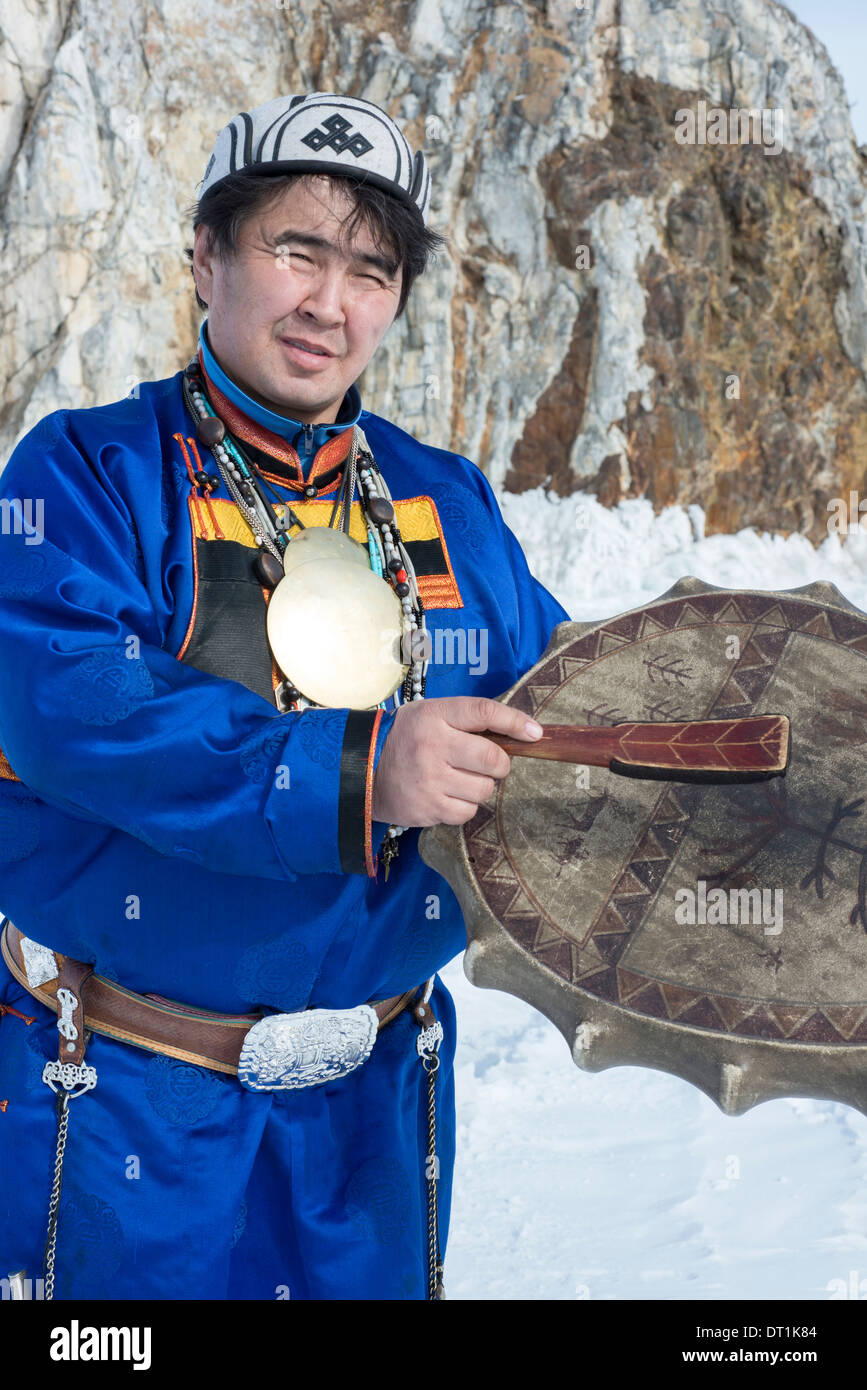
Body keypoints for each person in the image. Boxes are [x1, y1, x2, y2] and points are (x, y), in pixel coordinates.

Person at [0, 92, 570, 1301]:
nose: (330, 302)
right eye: (295, 251)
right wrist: (362, 772)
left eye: (370, 270)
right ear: (207, 257)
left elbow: (565, 712)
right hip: (123, 1095)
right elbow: (72, 710)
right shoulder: (85, 473)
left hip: (375, 1111)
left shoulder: (449, 501)